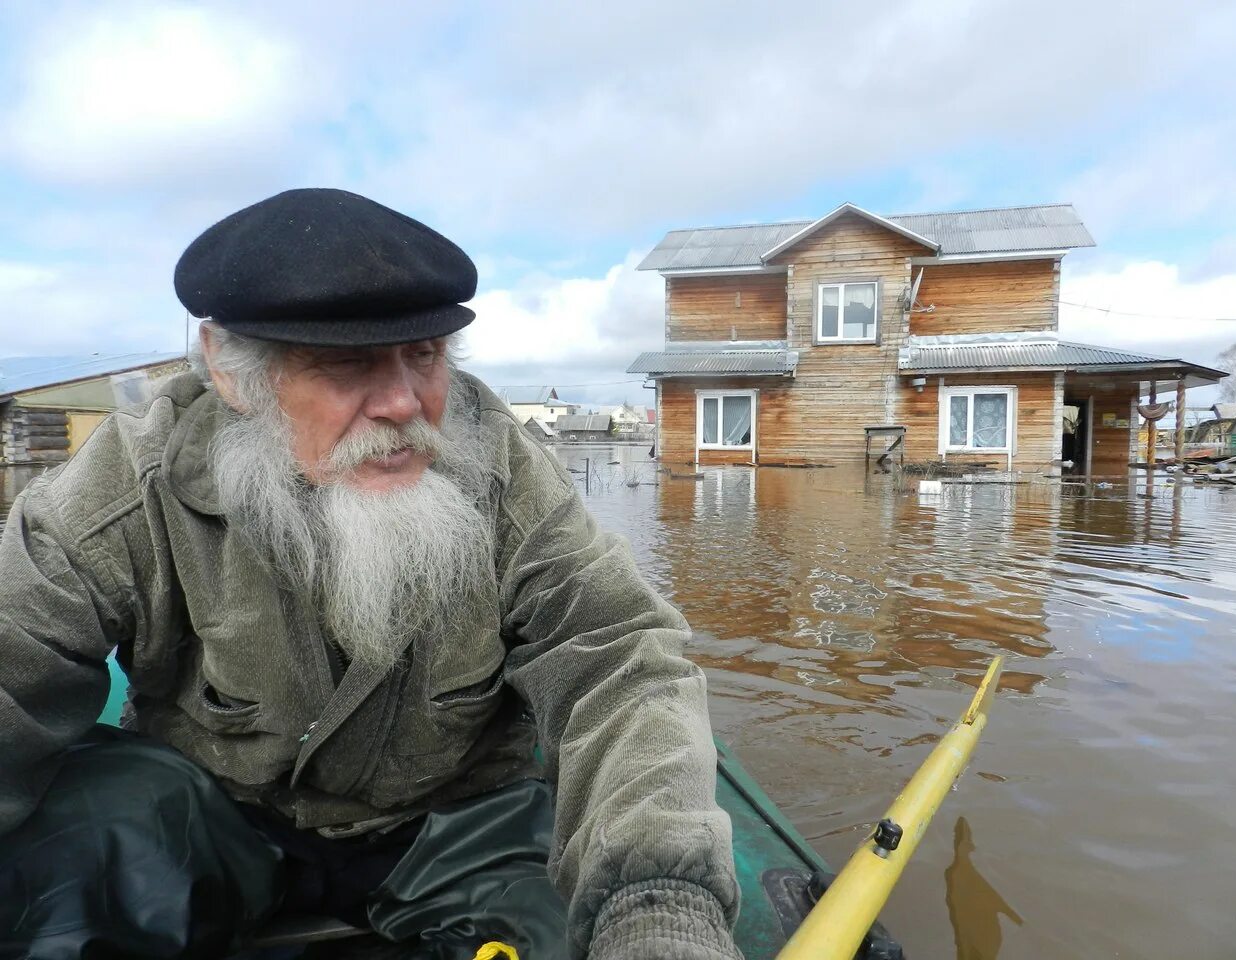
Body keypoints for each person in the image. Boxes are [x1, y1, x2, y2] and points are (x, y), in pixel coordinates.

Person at [0, 189, 741, 960]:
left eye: (424, 356)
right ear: (229, 370)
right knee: (76, 851)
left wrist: (662, 904)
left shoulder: (501, 468)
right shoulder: (130, 483)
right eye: (347, 363)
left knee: (566, 926)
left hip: (454, 832)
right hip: (210, 818)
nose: (403, 403)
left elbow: (617, 661)